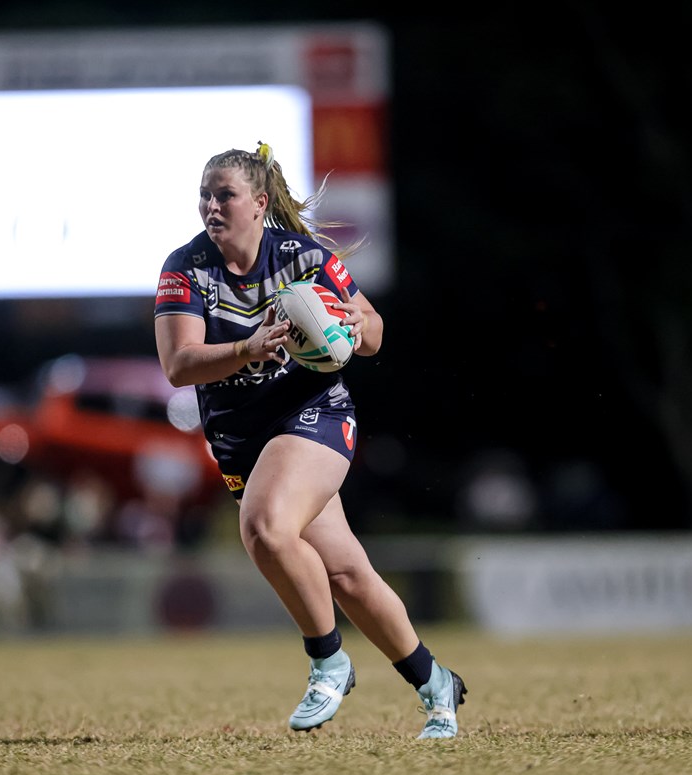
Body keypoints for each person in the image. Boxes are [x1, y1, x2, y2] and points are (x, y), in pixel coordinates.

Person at [154, 142, 466, 738]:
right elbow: (179, 363)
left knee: (265, 527)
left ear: (260, 203)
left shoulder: (301, 256)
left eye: (226, 195)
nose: (211, 206)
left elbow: (372, 333)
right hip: (241, 440)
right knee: (347, 573)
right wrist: (248, 348)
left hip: (314, 413)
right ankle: (435, 683)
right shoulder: (185, 268)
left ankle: (328, 661)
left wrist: (355, 323)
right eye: (205, 195)